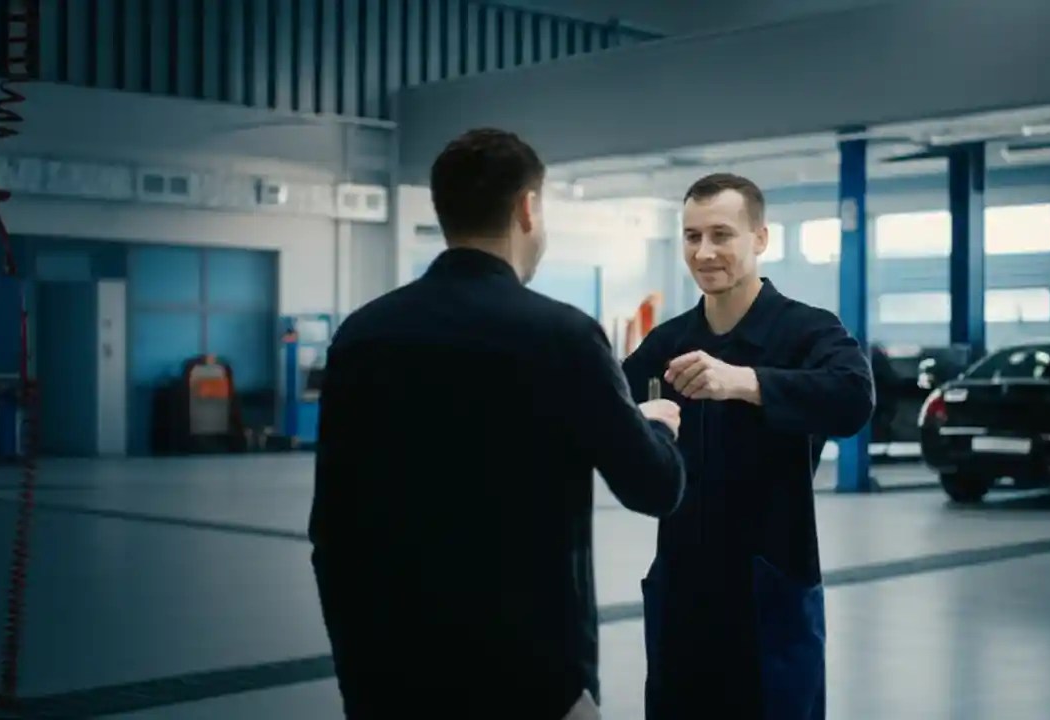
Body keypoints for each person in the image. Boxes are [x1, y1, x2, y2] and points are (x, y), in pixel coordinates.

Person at [308, 128, 688, 719]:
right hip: (532, 679)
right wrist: (658, 426)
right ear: (528, 208)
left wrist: (360, 678)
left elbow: (330, 529)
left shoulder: (363, 333)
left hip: (391, 675)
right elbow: (653, 486)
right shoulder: (561, 334)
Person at [623, 173, 875, 719]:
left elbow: (854, 399)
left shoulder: (806, 332)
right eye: (692, 236)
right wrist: (637, 420)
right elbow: (604, 404)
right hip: (681, 590)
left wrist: (743, 382)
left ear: (759, 239)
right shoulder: (667, 344)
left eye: (722, 235)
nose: (705, 252)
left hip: (770, 589)